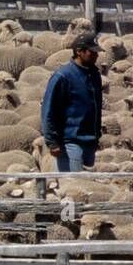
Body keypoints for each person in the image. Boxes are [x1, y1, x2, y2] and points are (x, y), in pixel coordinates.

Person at [40, 31, 103, 172]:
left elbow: (96, 107)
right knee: (73, 184)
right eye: (92, 52)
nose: (96, 55)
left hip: (90, 140)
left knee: (86, 186)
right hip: (70, 141)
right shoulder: (62, 76)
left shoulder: (94, 75)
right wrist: (52, 142)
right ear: (79, 52)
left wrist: (97, 134)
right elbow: (48, 110)